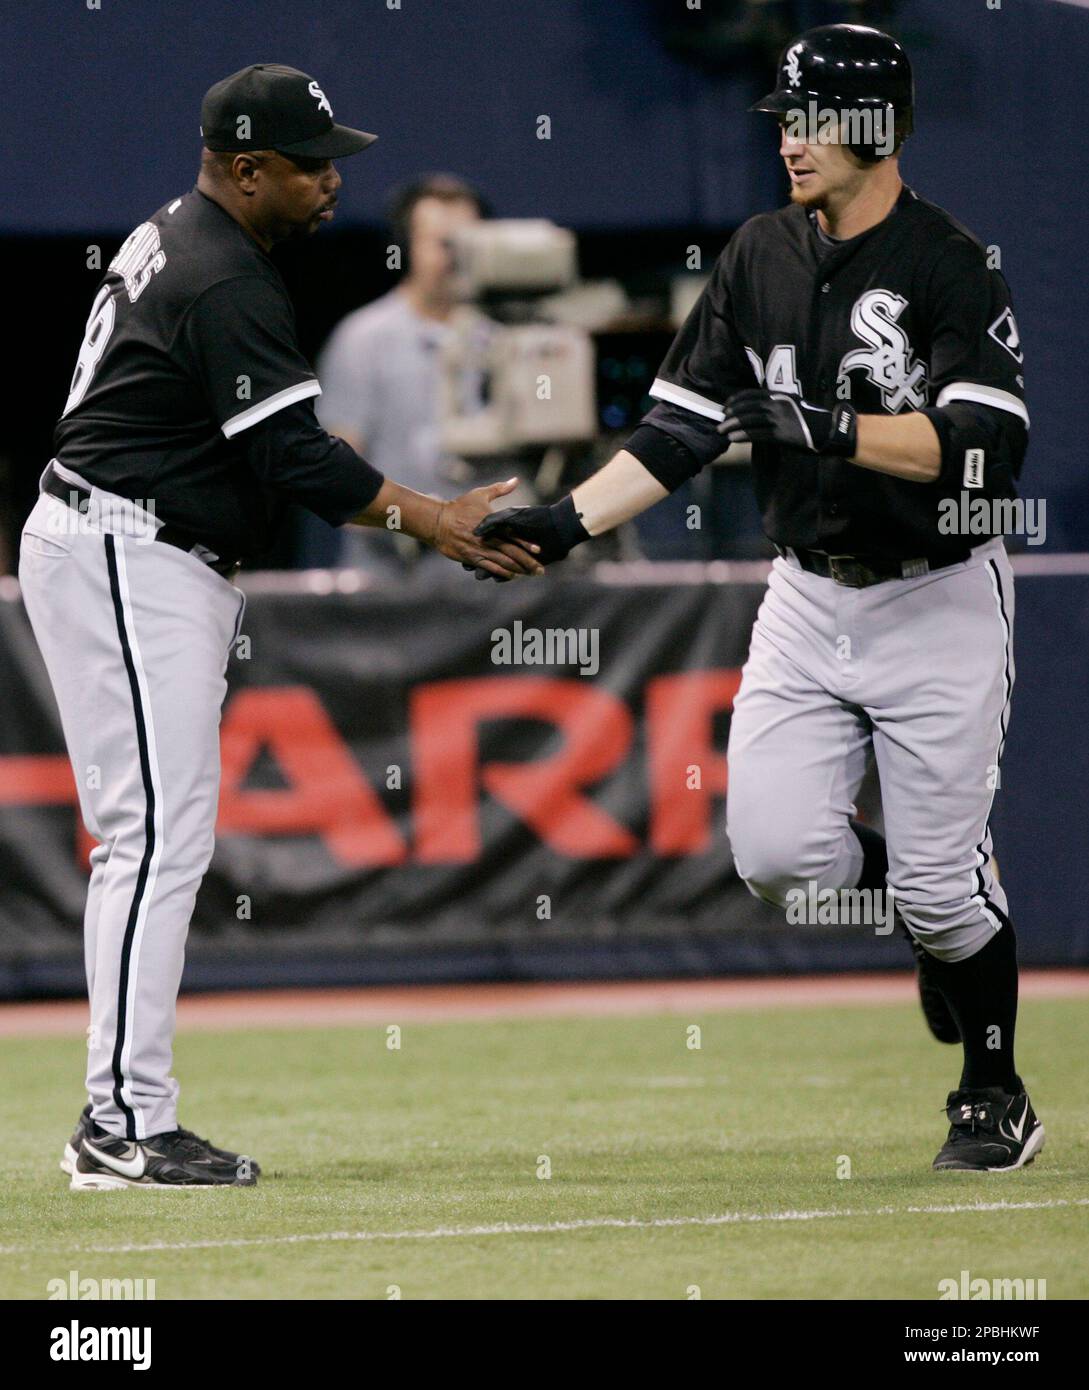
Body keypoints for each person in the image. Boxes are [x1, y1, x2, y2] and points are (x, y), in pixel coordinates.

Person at [476, 25, 1041, 1173]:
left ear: (875, 126)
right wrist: (569, 520)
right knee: (780, 855)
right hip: (806, 593)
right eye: (782, 118)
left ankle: (994, 1091)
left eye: (813, 118)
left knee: (946, 891)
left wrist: (835, 430)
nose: (788, 139)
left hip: (933, 595)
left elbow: (993, 448)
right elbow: (683, 422)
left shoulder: (949, 260)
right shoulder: (757, 252)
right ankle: (932, 912)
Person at [20, 62, 541, 1191]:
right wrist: (434, 518)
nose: (332, 181)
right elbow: (296, 457)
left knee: (153, 836)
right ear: (244, 167)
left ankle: (125, 1115)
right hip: (124, 545)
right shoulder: (219, 272)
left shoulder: (185, 234)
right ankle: (120, 1125)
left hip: (127, 544)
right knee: (152, 837)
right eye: (309, 164)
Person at [309, 173, 490, 576]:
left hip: (489, 576)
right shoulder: (362, 339)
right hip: (388, 577)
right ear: (408, 246)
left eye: (469, 242)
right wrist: (427, 522)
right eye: (443, 243)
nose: (456, 256)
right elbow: (334, 477)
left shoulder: (508, 337)